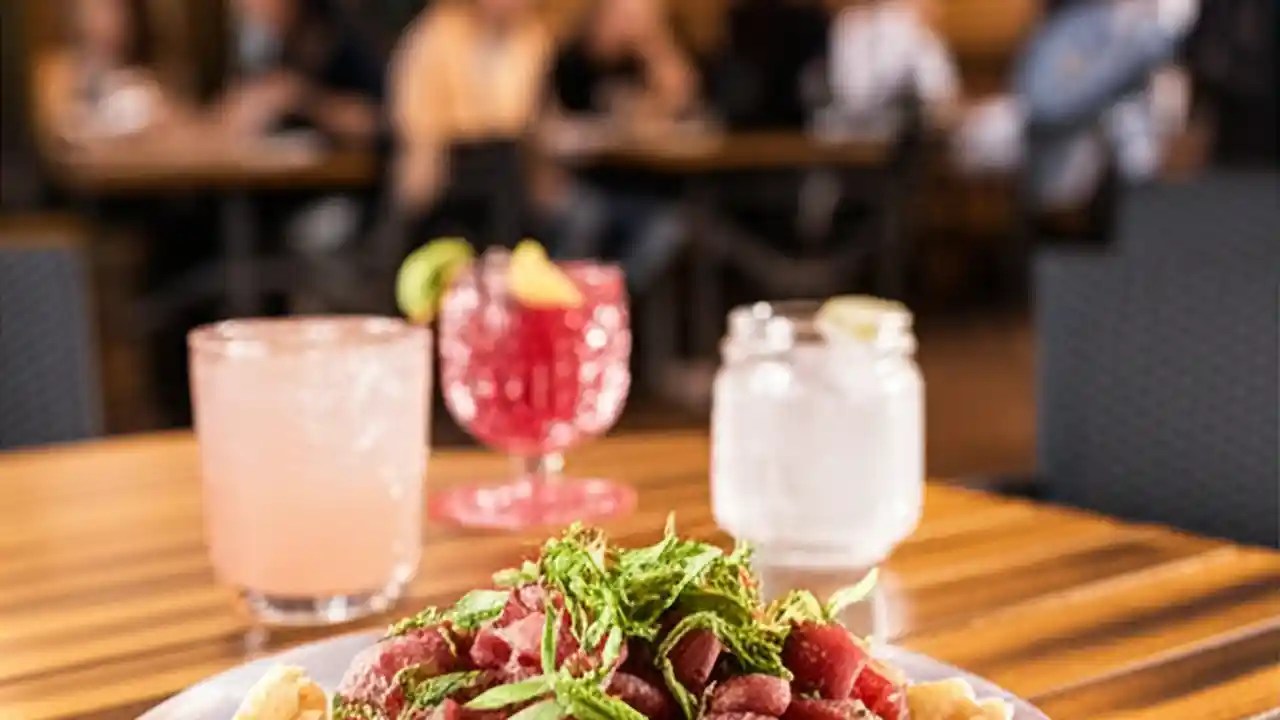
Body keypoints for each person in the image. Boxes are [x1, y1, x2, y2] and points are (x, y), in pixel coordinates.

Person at [544, 0, 696, 292]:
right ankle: (562, 299)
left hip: (641, 187)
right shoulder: (573, 60)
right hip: (585, 183)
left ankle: (609, 297)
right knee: (585, 218)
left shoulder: (643, 58)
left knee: (671, 228)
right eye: (625, 13)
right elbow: (550, 129)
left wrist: (655, 46)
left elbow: (681, 98)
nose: (631, 24)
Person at [390, 0, 552, 248]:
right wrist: (425, 150)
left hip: (504, 158)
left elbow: (518, 114)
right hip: (446, 153)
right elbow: (412, 106)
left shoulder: (532, 36)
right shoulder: (440, 29)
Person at [218, 0, 384, 146]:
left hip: (343, 175)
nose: (252, 8)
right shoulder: (267, 49)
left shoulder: (341, 41)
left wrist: (305, 100)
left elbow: (378, 122)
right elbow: (228, 118)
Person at [32, 0, 174, 148]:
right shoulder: (56, 73)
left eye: (117, 12)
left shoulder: (143, 81)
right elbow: (55, 132)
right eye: (96, 11)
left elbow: (169, 128)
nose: (109, 21)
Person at [825, 0, 960, 138]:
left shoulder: (924, 35)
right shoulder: (853, 24)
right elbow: (855, 98)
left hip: (915, 132)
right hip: (857, 129)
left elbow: (942, 98)